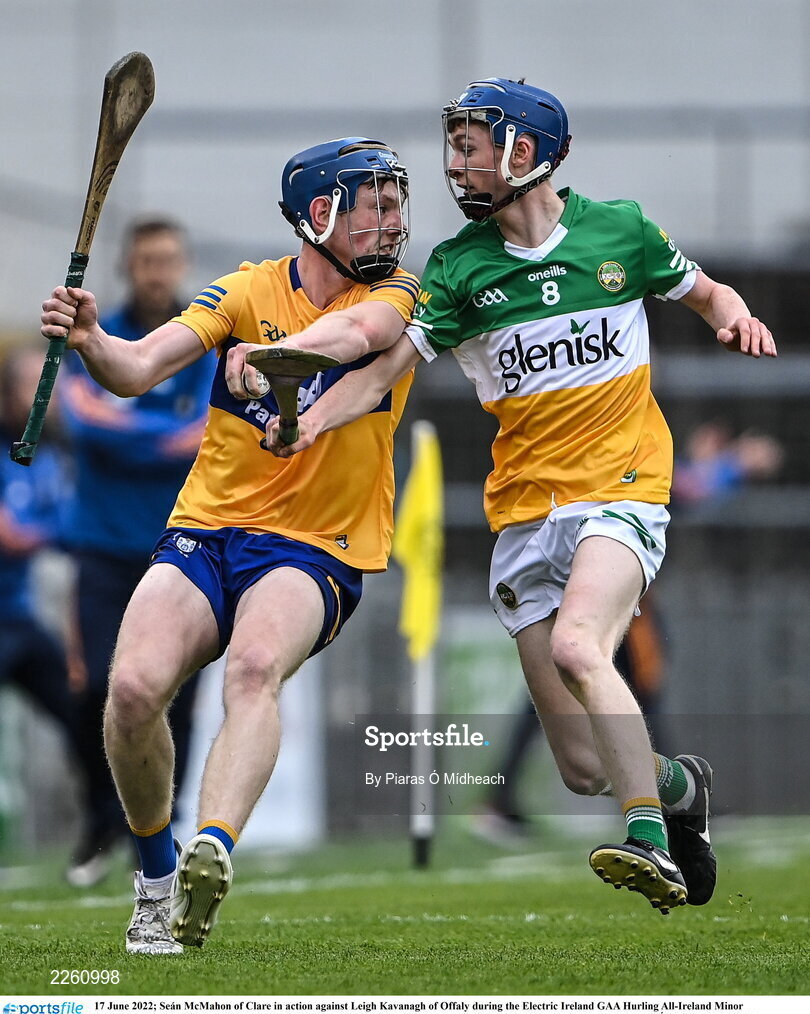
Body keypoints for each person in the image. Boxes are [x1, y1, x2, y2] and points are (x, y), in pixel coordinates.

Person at [256, 79, 777, 915]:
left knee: (581, 649)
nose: (453, 163)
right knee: (580, 768)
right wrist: (312, 420)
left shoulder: (623, 231)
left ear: (522, 152)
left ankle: (651, 843)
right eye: (454, 146)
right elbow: (386, 370)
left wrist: (732, 315)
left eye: (468, 146)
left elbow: (707, 291)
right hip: (526, 514)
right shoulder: (461, 268)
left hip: (623, 488)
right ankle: (680, 789)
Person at [40, 137, 416, 954]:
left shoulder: (402, 294)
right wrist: (93, 340)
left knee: (252, 668)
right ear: (320, 215)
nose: (392, 220)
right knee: (134, 689)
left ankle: (213, 844)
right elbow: (138, 370)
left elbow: (357, 336)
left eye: (394, 201)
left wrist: (268, 362)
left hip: (318, 546)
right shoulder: (245, 289)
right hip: (207, 528)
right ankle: (156, 876)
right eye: (373, 203)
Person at [58, 217, 216, 889]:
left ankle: (161, 830)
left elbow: (203, 436)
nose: (158, 270)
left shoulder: (203, 335)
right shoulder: (87, 330)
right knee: (97, 685)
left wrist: (128, 426)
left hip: (180, 545)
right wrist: (158, 432)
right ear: (129, 264)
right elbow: (83, 421)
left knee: (170, 696)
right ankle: (100, 819)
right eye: (146, 259)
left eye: (168, 259)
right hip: (100, 546)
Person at [0, 346, 91, 831]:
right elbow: (12, 536)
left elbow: (72, 530)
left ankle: (111, 823)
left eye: (49, 384)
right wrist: (49, 533)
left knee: (82, 710)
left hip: (18, 617)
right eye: (33, 384)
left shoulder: (54, 455)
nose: (44, 396)